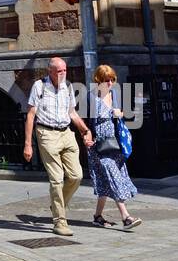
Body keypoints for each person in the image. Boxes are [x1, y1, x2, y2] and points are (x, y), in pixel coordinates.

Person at [23, 56, 93, 237]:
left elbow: (72, 113)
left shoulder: (68, 86)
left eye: (65, 70)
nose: (63, 74)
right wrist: (28, 144)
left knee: (76, 176)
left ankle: (56, 204)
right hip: (46, 134)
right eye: (59, 71)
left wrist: (84, 130)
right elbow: (31, 115)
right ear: (50, 72)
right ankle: (60, 222)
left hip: (66, 133)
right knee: (57, 178)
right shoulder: (39, 87)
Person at [88, 66, 141, 230]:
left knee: (106, 182)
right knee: (114, 178)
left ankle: (97, 216)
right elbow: (89, 122)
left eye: (112, 79)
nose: (110, 83)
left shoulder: (114, 94)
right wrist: (113, 112)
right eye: (106, 80)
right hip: (99, 147)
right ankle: (126, 217)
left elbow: (118, 116)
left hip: (115, 144)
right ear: (98, 81)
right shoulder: (92, 98)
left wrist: (119, 113)